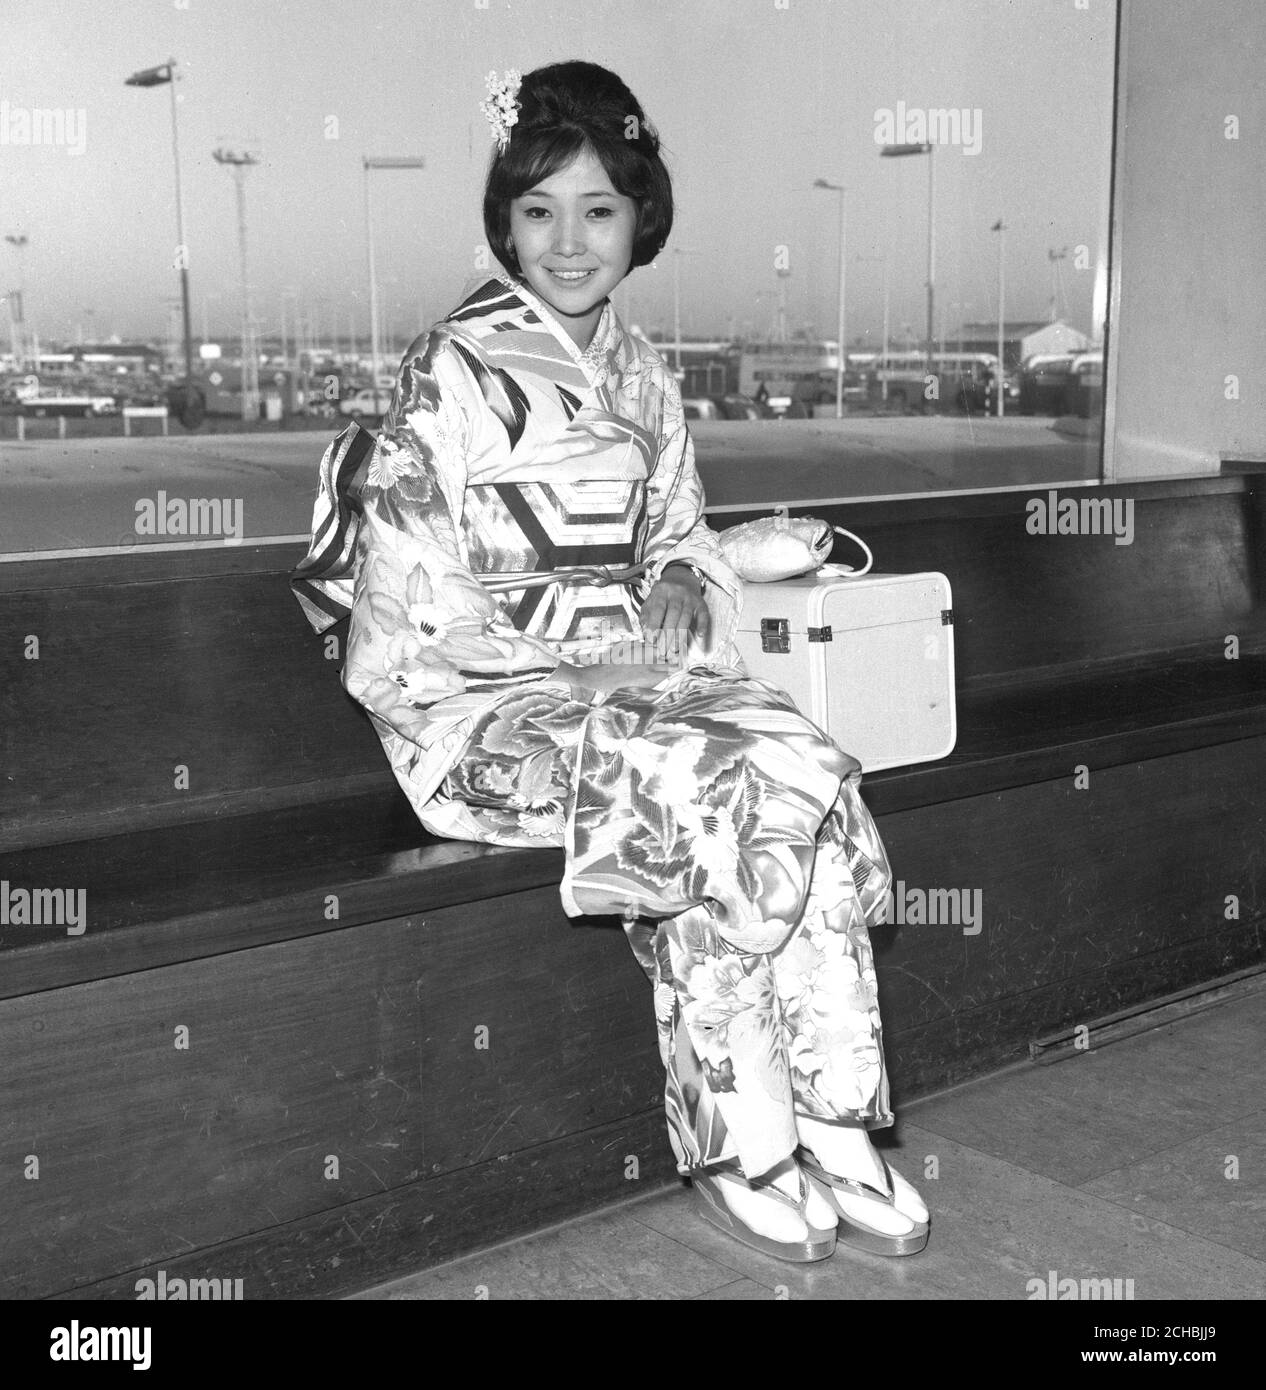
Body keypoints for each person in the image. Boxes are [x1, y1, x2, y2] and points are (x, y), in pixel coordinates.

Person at [292, 60, 929, 1263]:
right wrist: (579, 674)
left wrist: (689, 571)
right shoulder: (448, 370)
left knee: (813, 779)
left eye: (597, 209)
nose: (568, 243)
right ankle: (752, 1140)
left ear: (642, 215)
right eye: (538, 211)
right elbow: (405, 612)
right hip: (482, 722)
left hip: (636, 697)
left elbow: (676, 528)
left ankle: (836, 1121)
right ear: (505, 222)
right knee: (733, 788)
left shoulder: (643, 373)